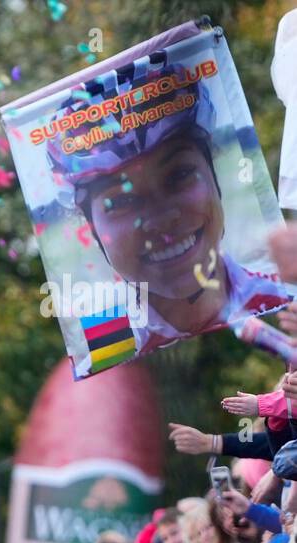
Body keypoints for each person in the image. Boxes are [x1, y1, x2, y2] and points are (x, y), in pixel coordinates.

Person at [47, 62, 292, 363]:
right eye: (120, 202)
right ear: (91, 227)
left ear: (214, 176)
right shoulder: (105, 349)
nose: (161, 219)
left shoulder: (283, 294)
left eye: (178, 175)